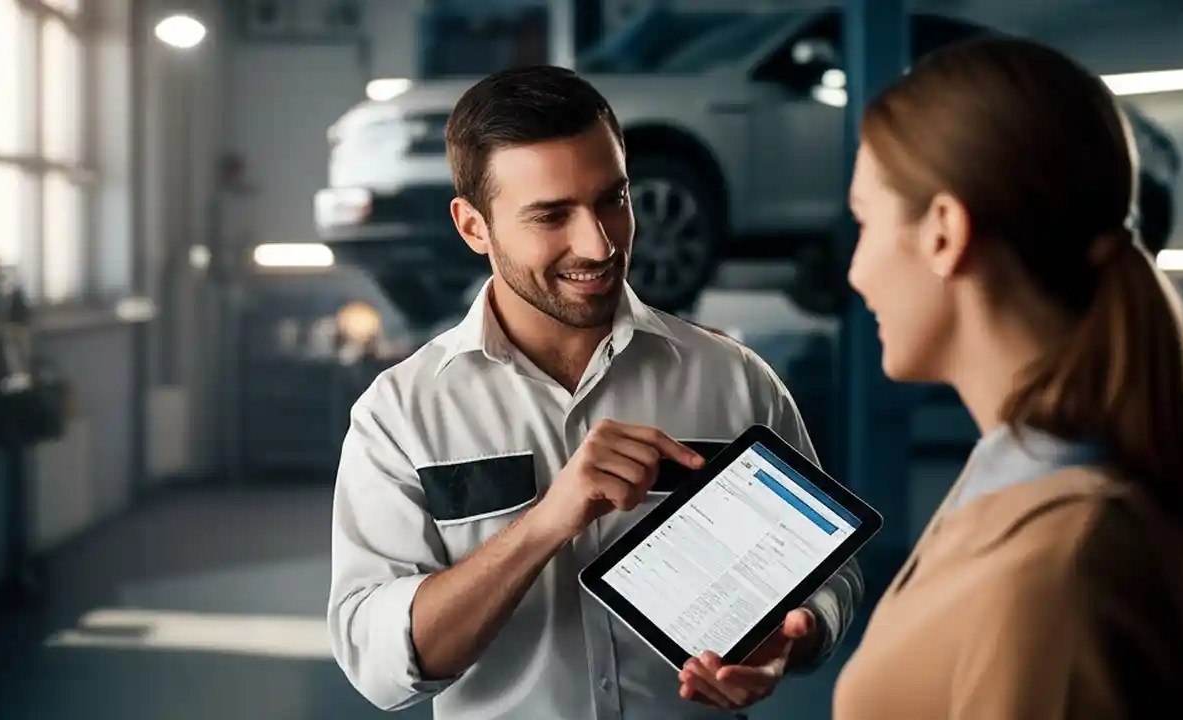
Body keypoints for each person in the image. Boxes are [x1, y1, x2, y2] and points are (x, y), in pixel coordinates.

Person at [328, 66, 863, 720]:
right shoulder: (401, 414)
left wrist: (795, 635)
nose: (600, 242)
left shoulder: (736, 381)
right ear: (473, 227)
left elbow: (830, 570)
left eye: (614, 199)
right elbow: (379, 665)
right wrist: (549, 521)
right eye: (552, 215)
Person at [833, 38, 1183, 718]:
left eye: (864, 224)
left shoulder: (1060, 566)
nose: (854, 272)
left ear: (944, 232)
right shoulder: (1018, 483)